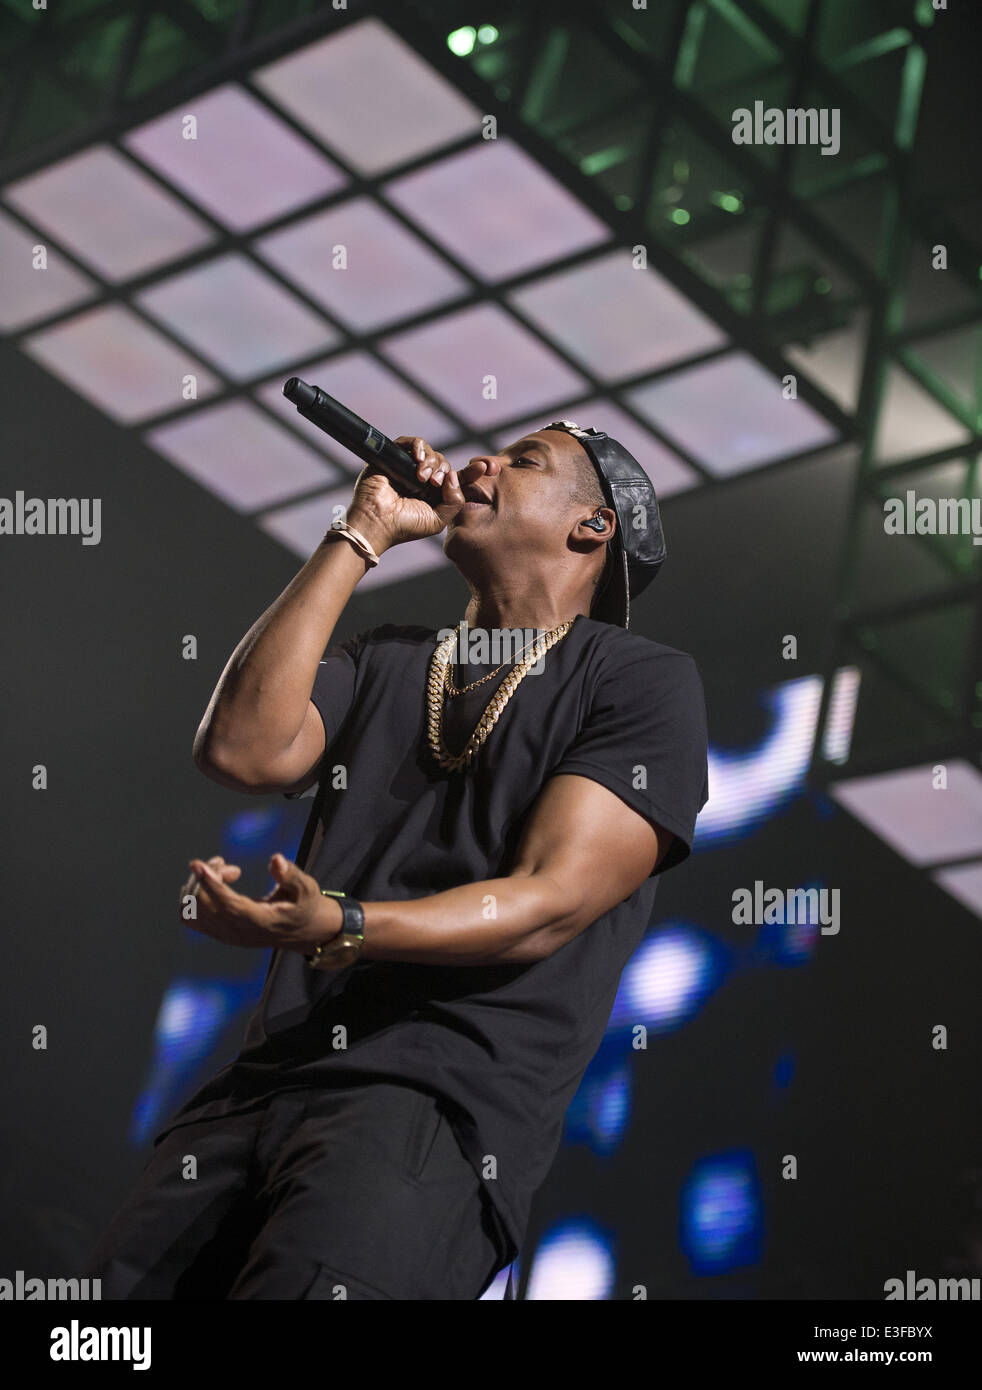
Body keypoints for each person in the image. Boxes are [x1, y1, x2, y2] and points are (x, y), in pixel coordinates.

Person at [83, 419, 709, 1300]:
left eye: (524, 460)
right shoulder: (388, 657)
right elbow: (241, 750)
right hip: (254, 1092)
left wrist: (346, 923)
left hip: (431, 1110)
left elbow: (547, 900)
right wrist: (361, 532)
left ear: (593, 528)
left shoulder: (639, 680)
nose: (481, 461)